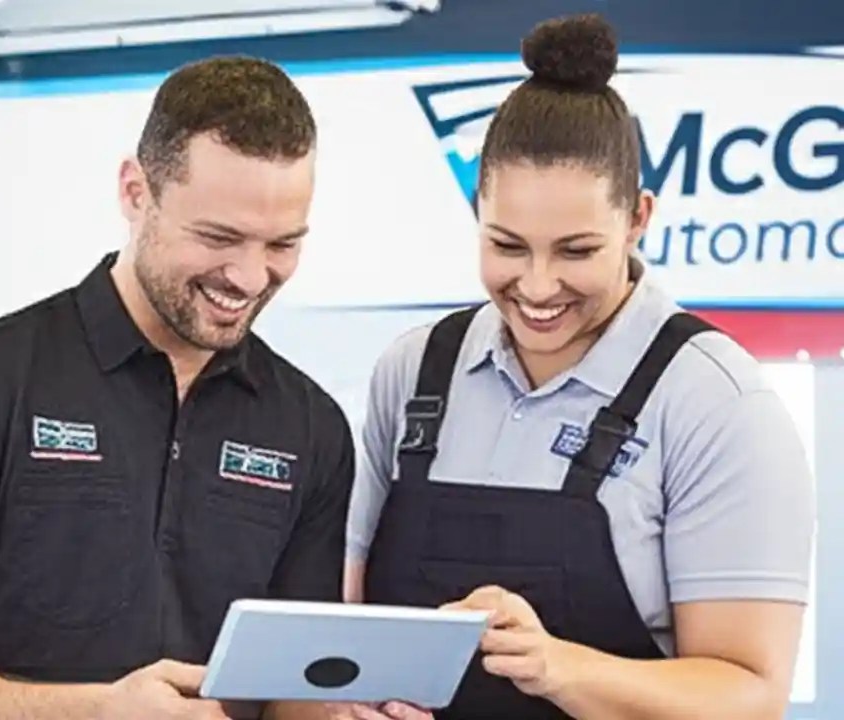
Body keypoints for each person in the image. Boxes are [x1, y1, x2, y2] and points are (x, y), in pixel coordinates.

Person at [0, 54, 355, 720]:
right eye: (218, 237)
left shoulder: (310, 429)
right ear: (136, 193)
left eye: (282, 244)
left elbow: (292, 697)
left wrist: (348, 711)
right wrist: (99, 713)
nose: (250, 277)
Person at [339, 13, 815, 720]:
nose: (535, 286)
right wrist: (352, 701)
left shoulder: (718, 404)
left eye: (576, 251)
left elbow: (749, 697)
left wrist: (557, 666)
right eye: (506, 245)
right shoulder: (411, 374)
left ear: (637, 220)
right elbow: (348, 632)